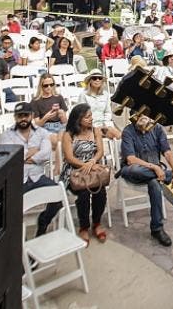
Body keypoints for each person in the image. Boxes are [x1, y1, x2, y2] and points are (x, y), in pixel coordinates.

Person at [120, 113, 173, 246]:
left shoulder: (157, 128)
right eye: (138, 114)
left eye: (145, 113)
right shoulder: (128, 131)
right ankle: (170, 176)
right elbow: (130, 160)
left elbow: (167, 151)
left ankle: (157, 229)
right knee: (135, 169)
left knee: (154, 184)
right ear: (133, 117)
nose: (143, 116)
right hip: (135, 171)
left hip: (155, 174)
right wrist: (154, 167)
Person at [0, 102, 63, 236]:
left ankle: (43, 221)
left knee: (58, 197)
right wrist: (34, 151)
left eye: (26, 115)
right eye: (20, 116)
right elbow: (13, 156)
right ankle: (18, 238)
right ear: (15, 118)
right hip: (18, 179)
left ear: (32, 116)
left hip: (37, 177)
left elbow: (46, 153)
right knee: (8, 208)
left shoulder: (42, 132)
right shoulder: (6, 135)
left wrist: (26, 155)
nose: (23, 119)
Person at [61, 103, 109, 245]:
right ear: (78, 119)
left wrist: (93, 162)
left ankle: (97, 223)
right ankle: (84, 227)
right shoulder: (68, 135)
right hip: (74, 171)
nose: (91, 119)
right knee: (83, 194)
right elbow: (69, 158)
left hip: (93, 169)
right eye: (87, 117)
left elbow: (100, 151)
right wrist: (86, 166)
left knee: (100, 192)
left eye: (91, 116)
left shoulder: (96, 131)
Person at [78, 70, 120, 139]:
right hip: (89, 126)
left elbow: (108, 112)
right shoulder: (83, 95)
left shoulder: (105, 94)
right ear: (90, 81)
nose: (97, 80)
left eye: (100, 78)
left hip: (104, 125)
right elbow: (81, 115)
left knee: (119, 135)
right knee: (102, 132)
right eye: (94, 78)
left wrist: (105, 124)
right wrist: (93, 126)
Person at [30, 74, 69, 138]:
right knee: (56, 138)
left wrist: (62, 115)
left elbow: (65, 122)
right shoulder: (35, 101)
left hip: (60, 125)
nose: (49, 87)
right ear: (41, 86)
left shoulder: (59, 97)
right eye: (46, 85)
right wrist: (46, 117)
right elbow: (37, 124)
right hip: (45, 127)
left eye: (51, 84)